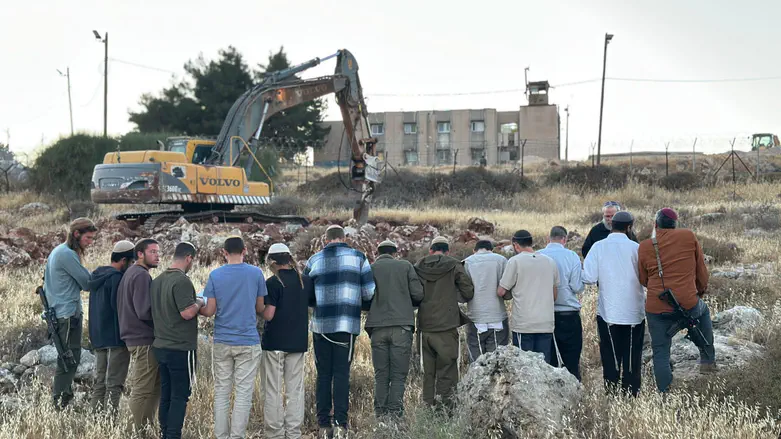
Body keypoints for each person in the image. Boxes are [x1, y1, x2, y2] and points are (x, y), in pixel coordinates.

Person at [305, 225, 375, 439]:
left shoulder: (313, 261)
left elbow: (307, 297)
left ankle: (323, 426)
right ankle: (341, 426)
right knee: (342, 375)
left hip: (321, 327)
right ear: (344, 238)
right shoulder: (359, 257)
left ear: (325, 240)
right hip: (346, 326)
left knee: (323, 375)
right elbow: (369, 292)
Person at [638, 208, 715, 393]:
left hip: (657, 308)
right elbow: (701, 270)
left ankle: (665, 394)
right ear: (675, 224)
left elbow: (643, 279)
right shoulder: (688, 236)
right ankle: (707, 362)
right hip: (688, 302)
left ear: (656, 225)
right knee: (703, 312)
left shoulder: (645, 246)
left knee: (661, 351)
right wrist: (700, 291)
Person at [199, 236, 266, 439]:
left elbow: (210, 311)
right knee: (243, 394)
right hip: (248, 340)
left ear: (224, 252)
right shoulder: (256, 273)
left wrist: (196, 306)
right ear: (245, 251)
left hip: (222, 340)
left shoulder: (215, 275)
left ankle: (221, 436)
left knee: (222, 392)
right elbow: (260, 308)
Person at [583, 211, 646, 396]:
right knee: (632, 356)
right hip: (634, 312)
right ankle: (631, 394)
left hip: (608, 312)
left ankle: (611, 394)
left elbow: (588, 277)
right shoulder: (636, 248)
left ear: (611, 225)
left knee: (610, 355)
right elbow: (645, 278)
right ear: (629, 227)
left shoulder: (598, 247)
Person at [364, 240, 424, 419]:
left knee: (381, 375)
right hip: (402, 328)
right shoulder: (405, 266)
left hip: (377, 328)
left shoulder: (371, 268)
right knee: (398, 376)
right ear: (395, 253)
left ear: (377, 252)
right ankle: (395, 415)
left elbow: (364, 296)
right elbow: (418, 294)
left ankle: (380, 415)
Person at [151, 242, 204, 439]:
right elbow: (187, 312)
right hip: (181, 348)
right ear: (189, 258)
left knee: (166, 395)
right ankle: (173, 435)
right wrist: (199, 301)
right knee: (180, 397)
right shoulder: (182, 281)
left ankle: (165, 433)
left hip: (161, 346)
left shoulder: (157, 280)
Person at [415, 236, 474, 410]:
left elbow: (414, 294)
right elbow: (468, 292)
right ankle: (446, 409)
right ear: (447, 251)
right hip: (447, 326)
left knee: (428, 372)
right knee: (448, 370)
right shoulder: (454, 265)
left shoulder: (418, 266)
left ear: (431, 250)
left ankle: (428, 407)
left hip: (425, 327)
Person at [44, 217, 97, 409]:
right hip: (67, 314)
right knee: (67, 360)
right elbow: (86, 282)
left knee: (69, 359)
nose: (90, 242)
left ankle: (64, 398)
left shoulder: (58, 251)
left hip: (62, 313)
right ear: (77, 234)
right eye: (88, 238)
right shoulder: (67, 254)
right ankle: (59, 404)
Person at [262, 243, 314, 439]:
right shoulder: (306, 282)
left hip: (275, 342)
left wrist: (257, 309)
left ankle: (275, 434)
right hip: (298, 341)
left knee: (273, 391)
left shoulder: (272, 282)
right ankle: (294, 433)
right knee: (295, 390)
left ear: (273, 262)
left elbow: (269, 314)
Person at [118, 238, 161, 432]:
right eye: (152, 252)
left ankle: (145, 429)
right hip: (143, 339)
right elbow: (144, 311)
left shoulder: (130, 273)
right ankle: (131, 432)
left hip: (134, 338)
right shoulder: (142, 276)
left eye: (158, 252)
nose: (157, 255)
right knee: (143, 389)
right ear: (140, 254)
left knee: (153, 387)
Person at [87, 240, 135, 414]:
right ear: (124, 260)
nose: (132, 265)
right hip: (116, 338)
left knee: (99, 382)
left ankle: (95, 420)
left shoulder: (96, 276)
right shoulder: (116, 279)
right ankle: (109, 423)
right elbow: (120, 308)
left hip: (98, 337)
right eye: (132, 262)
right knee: (114, 384)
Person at [498, 230, 558, 364]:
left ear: (515, 245)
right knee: (543, 367)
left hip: (523, 325)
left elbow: (501, 291)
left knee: (523, 368)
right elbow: (554, 296)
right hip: (545, 323)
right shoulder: (550, 262)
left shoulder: (515, 262)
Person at [539, 226, 585, 380]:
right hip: (568, 314)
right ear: (564, 239)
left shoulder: (538, 255)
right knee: (571, 360)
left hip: (544, 314)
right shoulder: (571, 256)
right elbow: (577, 287)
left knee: (548, 361)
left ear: (548, 238)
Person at [462, 240, 509, 363]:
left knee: (477, 364)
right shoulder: (502, 260)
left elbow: (463, 292)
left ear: (474, 251)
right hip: (498, 316)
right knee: (497, 363)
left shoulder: (466, 262)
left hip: (475, 318)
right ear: (491, 249)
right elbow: (507, 291)